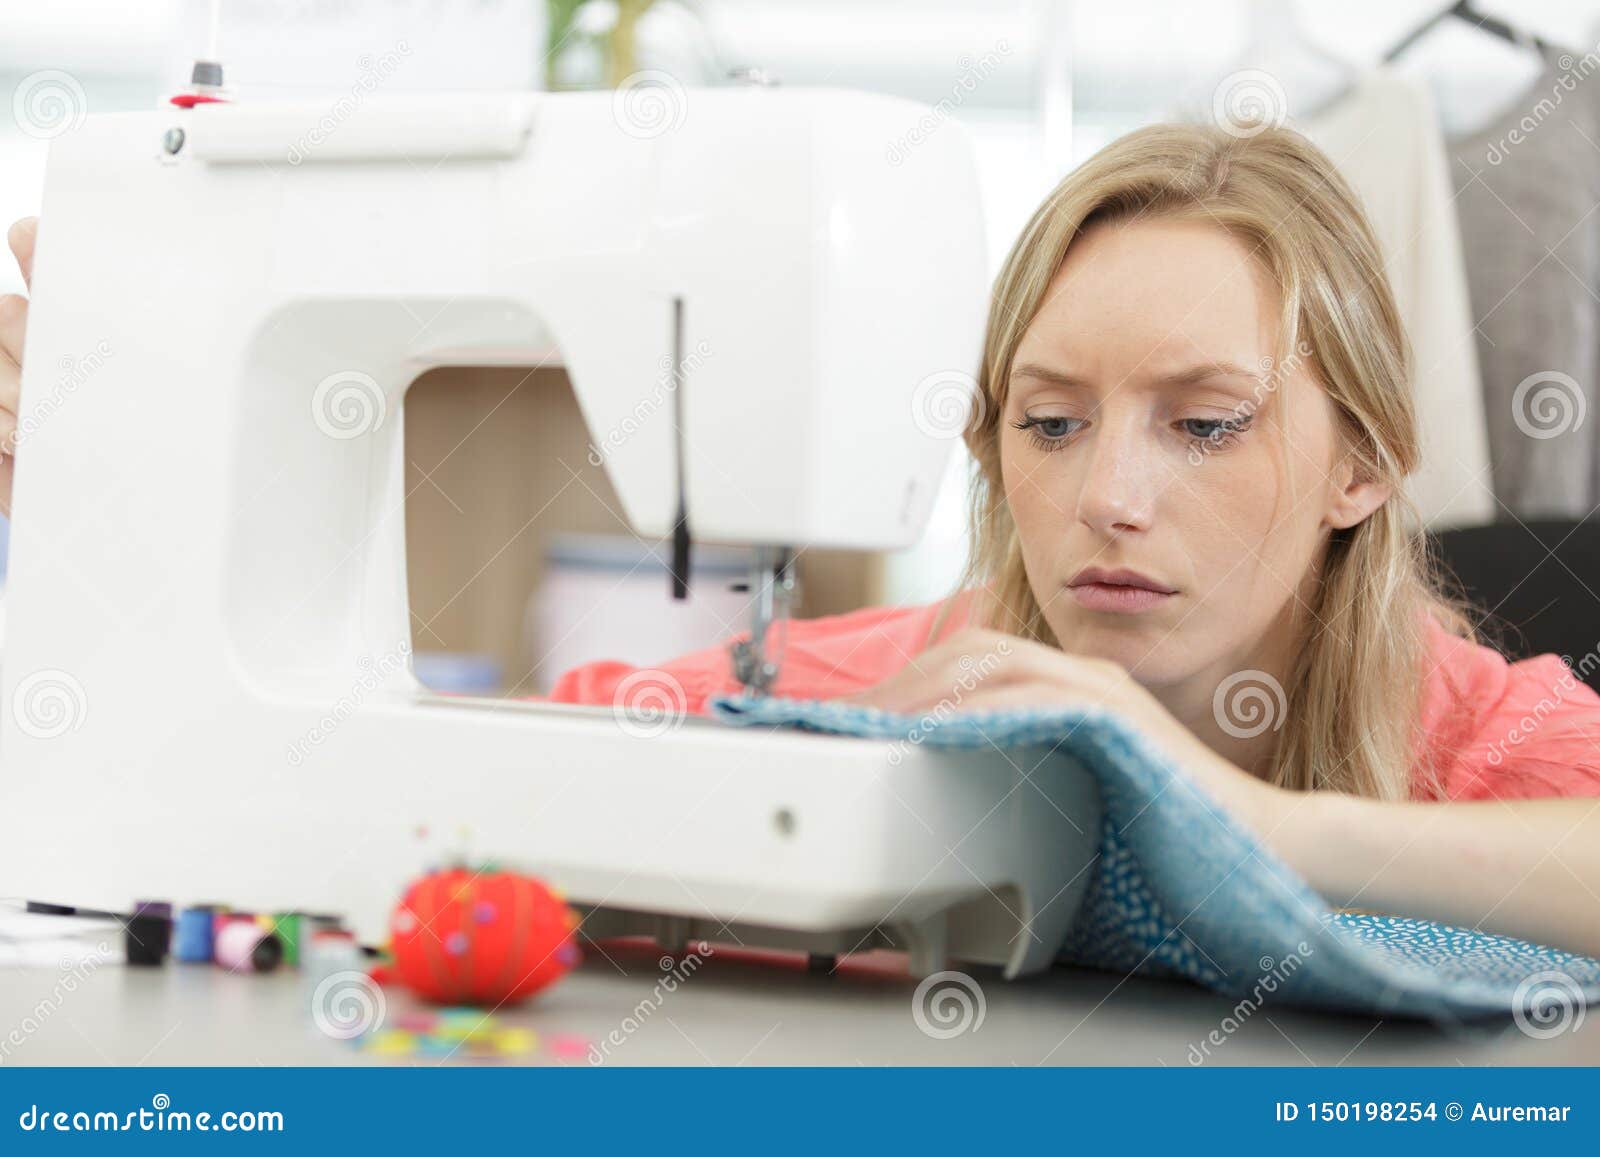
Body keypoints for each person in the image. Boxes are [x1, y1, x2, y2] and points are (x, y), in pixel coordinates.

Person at [4, 123, 1598, 958]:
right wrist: (122, 521)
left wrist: (1247, 819)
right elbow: (447, 798)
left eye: (1206, 422)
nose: (1110, 494)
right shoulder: (879, 694)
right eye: (1049, 421)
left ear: (1362, 465)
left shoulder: (1476, 731)